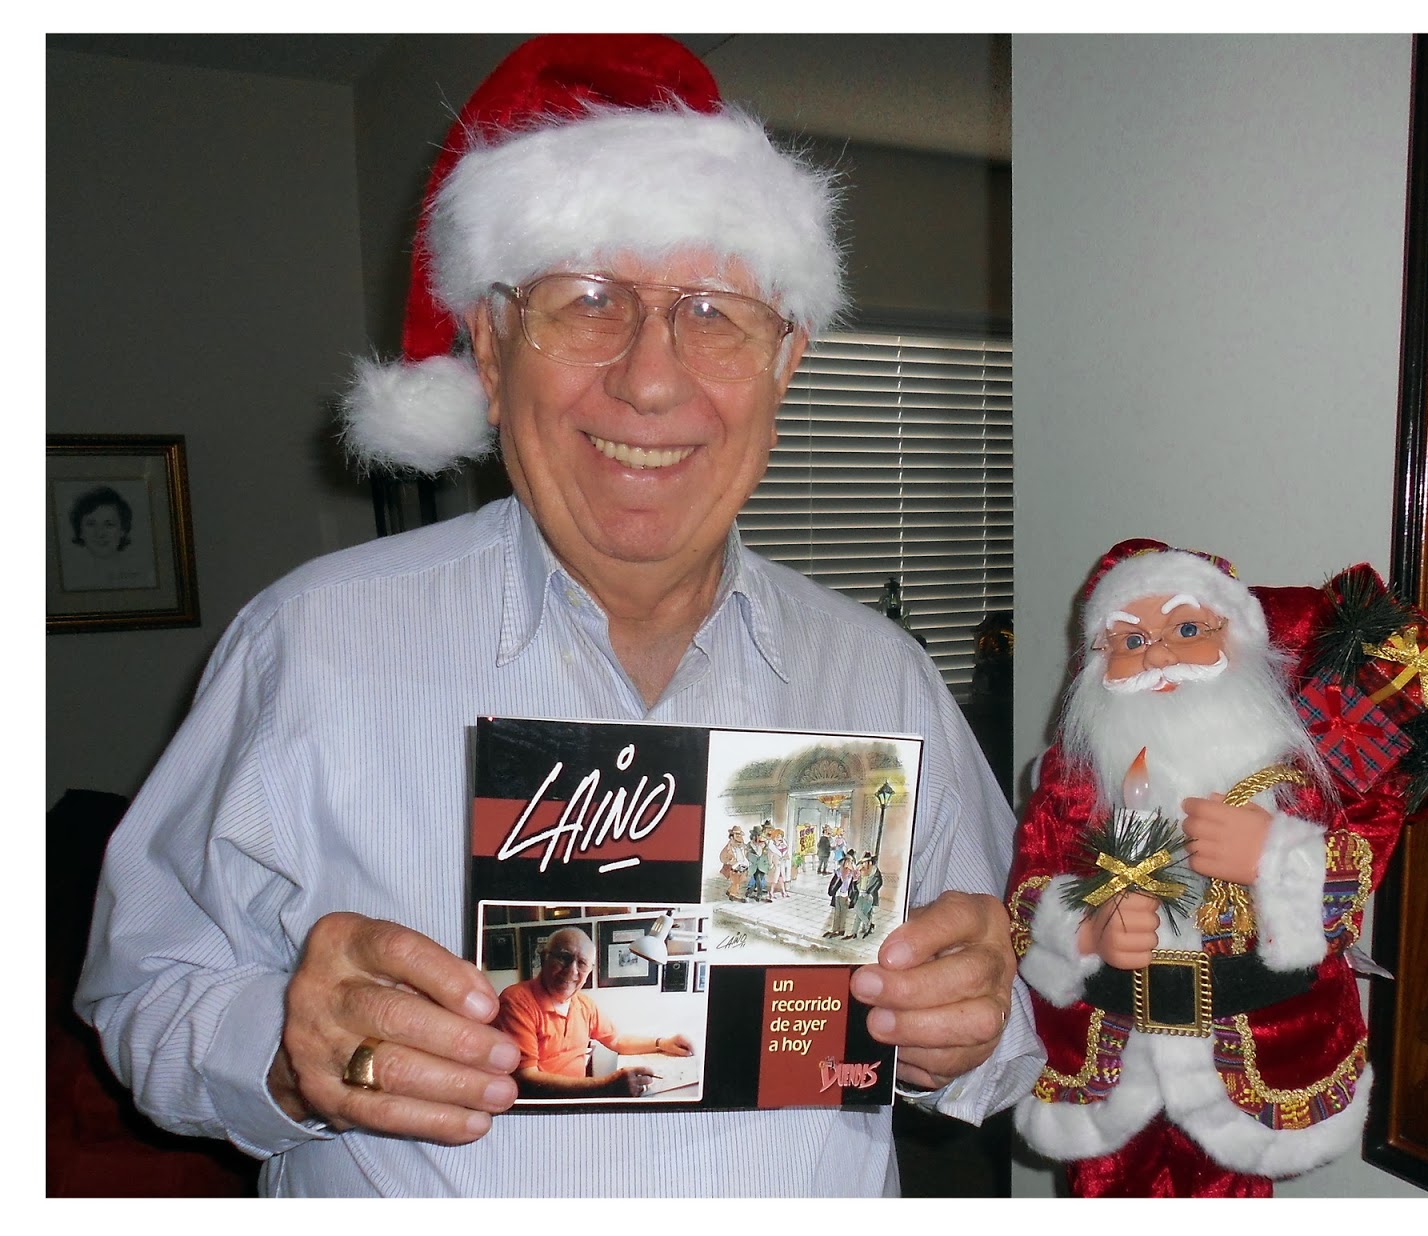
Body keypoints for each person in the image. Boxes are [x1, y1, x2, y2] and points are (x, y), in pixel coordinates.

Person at [75, 34, 1038, 1197]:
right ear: (487, 346)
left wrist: (974, 1023)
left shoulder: (881, 675)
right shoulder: (310, 644)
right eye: (585, 301)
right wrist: (280, 1050)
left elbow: (1011, 1028)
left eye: (714, 311)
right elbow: (140, 990)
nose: (648, 379)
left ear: (786, 360)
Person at [1007, 539, 1428, 1197]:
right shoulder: (1076, 777)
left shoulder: (1296, 770)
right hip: (1112, 1063)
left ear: (1239, 639)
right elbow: (1028, 894)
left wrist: (1275, 855)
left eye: (1185, 628)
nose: (1157, 655)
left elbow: (1349, 887)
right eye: (1129, 639)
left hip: (1256, 1059)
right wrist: (1086, 932)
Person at [492, 928, 693, 1099]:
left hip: (578, 1099)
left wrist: (662, 1043)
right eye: (564, 957)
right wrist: (607, 1086)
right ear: (544, 957)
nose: (571, 971)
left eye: (581, 963)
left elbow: (617, 1041)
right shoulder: (516, 1001)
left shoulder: (583, 1004)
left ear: (590, 970)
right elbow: (526, 1079)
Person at [824, 852, 859, 938]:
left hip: (846, 896)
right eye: (846, 862)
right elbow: (833, 884)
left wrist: (851, 897)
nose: (847, 864)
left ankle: (841, 930)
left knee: (843, 914)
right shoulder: (839, 872)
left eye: (849, 862)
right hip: (838, 895)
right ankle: (835, 929)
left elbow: (853, 888)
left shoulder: (852, 875)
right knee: (837, 913)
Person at [850, 854, 883, 939]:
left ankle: (860, 930)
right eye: (862, 862)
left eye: (864, 862)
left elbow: (879, 883)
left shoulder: (875, 872)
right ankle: (868, 924)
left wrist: (869, 892)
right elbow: (855, 882)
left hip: (869, 895)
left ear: (870, 862)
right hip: (860, 894)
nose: (863, 864)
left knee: (867, 912)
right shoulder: (861, 871)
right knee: (858, 910)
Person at [719, 826, 750, 902]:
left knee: (740, 880)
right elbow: (722, 857)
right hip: (733, 867)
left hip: (742, 865)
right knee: (736, 881)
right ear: (732, 837)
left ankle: (730, 891)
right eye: (736, 835)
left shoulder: (742, 846)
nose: (739, 837)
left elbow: (745, 852)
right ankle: (733, 895)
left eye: (740, 834)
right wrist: (729, 861)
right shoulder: (729, 848)